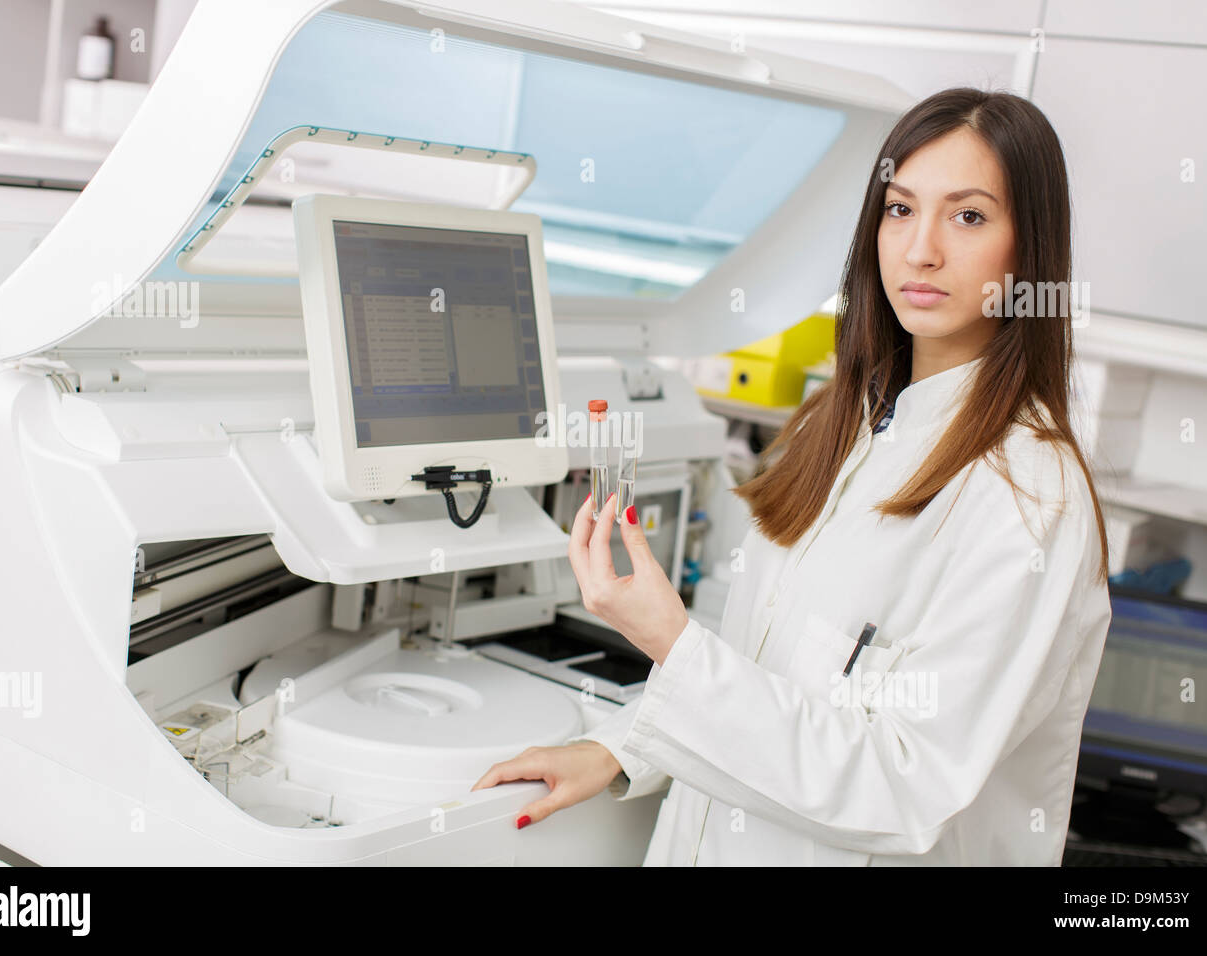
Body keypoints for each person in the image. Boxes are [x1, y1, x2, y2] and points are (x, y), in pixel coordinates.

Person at [472, 87, 1112, 866]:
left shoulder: (1029, 496)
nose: (921, 250)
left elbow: (905, 791)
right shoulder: (842, 421)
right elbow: (772, 668)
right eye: (901, 209)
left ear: (1029, 248)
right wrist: (625, 747)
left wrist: (668, 639)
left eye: (968, 216)